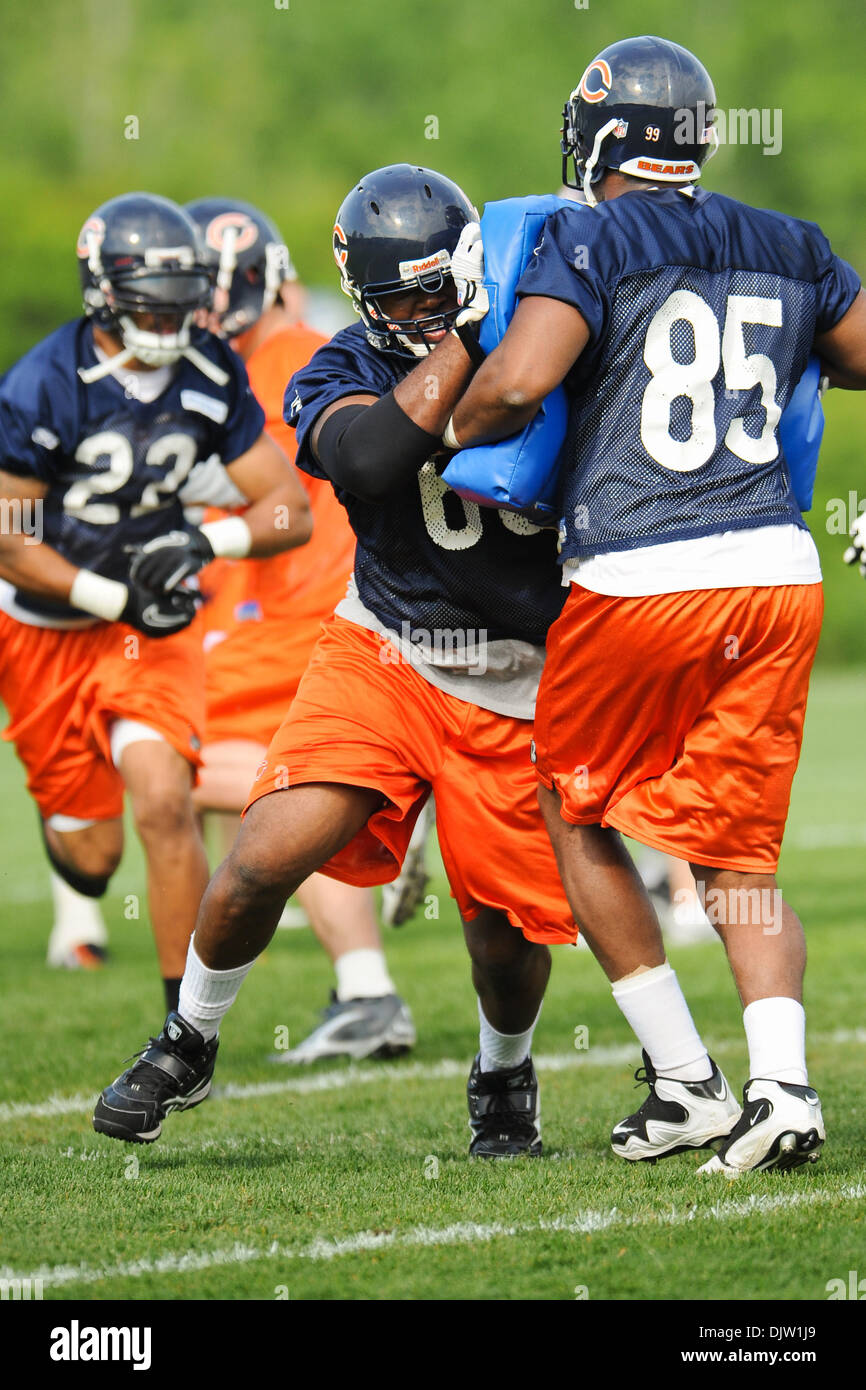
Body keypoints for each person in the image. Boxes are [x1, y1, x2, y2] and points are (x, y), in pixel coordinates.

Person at [93, 163, 577, 1157]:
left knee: (500, 932)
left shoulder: (549, 342)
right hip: (387, 648)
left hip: (521, 671)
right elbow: (364, 459)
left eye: (441, 291)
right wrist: (466, 335)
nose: (422, 314)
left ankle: (503, 1070)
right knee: (265, 853)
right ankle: (189, 1038)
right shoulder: (340, 363)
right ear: (361, 297)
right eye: (401, 299)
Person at [448, 36, 865, 1174]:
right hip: (774, 572)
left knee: (572, 807)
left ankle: (684, 1080)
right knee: (738, 856)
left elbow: (521, 379)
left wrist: (455, 429)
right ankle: (781, 1086)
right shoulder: (788, 241)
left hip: (643, 569)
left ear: (597, 141)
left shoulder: (589, 235)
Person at [0, 191, 312, 1010]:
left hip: (148, 633)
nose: (171, 322)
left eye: (182, 301)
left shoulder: (208, 372)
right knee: (93, 860)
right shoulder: (41, 386)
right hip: (46, 629)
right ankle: (74, 828)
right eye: (152, 304)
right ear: (104, 295)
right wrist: (116, 595)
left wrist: (207, 545)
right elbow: (10, 543)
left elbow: (289, 509)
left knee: (167, 800)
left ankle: (186, 1029)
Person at [184, 195, 416, 1061]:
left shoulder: (266, 368)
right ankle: (364, 986)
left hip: (303, 617)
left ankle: (372, 810)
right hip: (337, 604)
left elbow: (260, 502)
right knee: (272, 782)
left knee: (162, 748)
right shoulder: (324, 347)